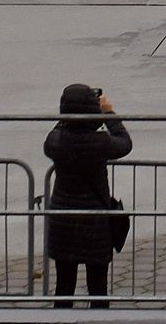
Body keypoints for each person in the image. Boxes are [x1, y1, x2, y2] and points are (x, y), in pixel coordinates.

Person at [44, 84, 135, 308]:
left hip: (62, 221)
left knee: (64, 285)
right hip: (94, 223)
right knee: (98, 285)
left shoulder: (55, 142)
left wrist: (71, 116)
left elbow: (61, 128)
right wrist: (107, 112)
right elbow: (125, 141)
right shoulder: (100, 142)